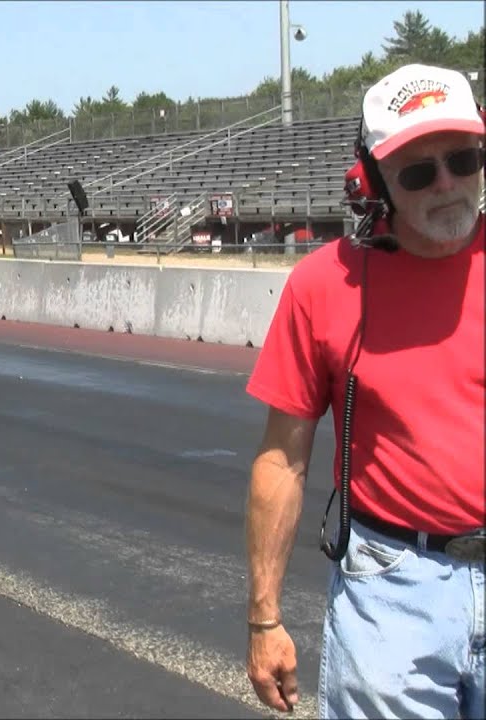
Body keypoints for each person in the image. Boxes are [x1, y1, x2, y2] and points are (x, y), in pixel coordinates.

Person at [244, 62, 485, 719]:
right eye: (416, 171)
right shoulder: (324, 286)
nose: (446, 184)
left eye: (462, 159)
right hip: (392, 592)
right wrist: (264, 620)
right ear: (371, 181)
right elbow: (282, 460)